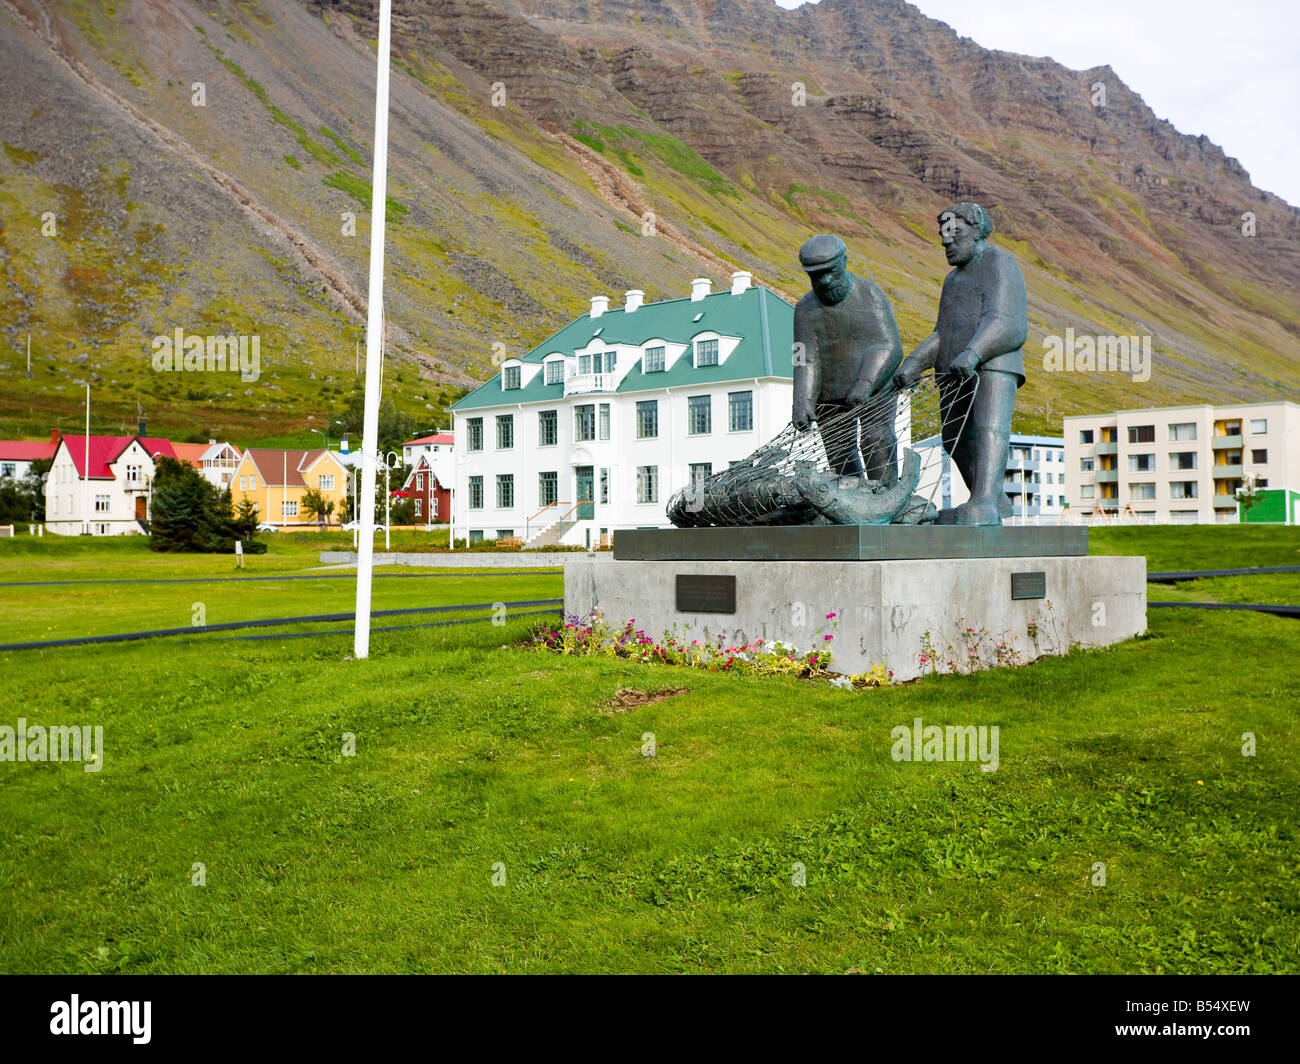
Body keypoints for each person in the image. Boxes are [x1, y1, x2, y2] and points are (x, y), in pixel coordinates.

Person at [891, 203, 1027, 525]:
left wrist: (974, 352)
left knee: (988, 429)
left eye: (954, 232)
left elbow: (1006, 321)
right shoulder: (952, 281)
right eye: (942, 235)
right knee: (954, 437)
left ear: (977, 228)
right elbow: (942, 334)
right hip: (955, 372)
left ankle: (983, 503)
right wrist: (914, 363)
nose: (945, 241)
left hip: (993, 365)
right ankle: (993, 500)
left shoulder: (999, 262)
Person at [792, 234, 903, 481]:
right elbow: (803, 357)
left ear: (844, 261)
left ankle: (885, 491)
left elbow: (889, 346)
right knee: (838, 449)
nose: (825, 280)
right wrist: (802, 399)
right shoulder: (804, 309)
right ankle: (853, 496)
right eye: (816, 275)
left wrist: (864, 385)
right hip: (829, 396)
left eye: (830, 271)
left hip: (876, 388)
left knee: (875, 439)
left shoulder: (870, 293)